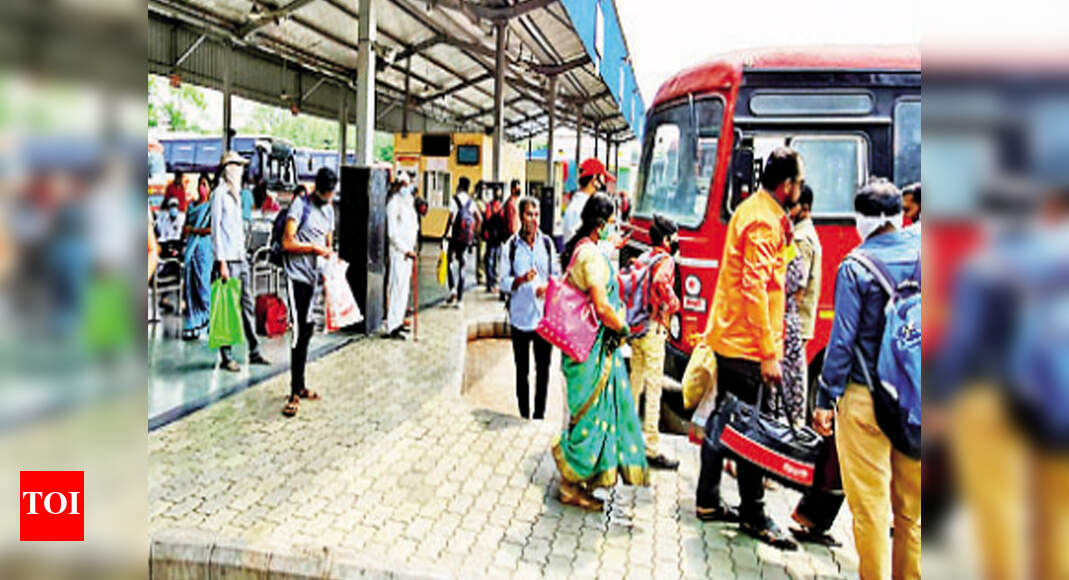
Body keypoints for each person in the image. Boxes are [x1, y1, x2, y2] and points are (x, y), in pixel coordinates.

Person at [695, 147, 804, 550]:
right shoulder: (762, 220)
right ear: (787, 184)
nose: (799, 189)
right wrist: (768, 352)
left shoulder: (755, 210)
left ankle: (707, 500)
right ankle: (754, 514)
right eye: (798, 182)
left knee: (725, 422)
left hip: (734, 338)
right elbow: (755, 288)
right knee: (750, 433)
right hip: (746, 345)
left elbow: (767, 274)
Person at [812, 178, 920, 579]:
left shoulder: (856, 265)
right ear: (898, 216)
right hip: (917, 397)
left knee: (871, 508)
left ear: (862, 220)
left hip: (865, 400)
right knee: (913, 513)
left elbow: (841, 342)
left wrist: (825, 398)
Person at [552, 193, 649, 510]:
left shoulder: (586, 248)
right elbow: (601, 304)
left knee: (589, 416)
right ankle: (569, 483)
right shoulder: (590, 256)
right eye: (610, 222)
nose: (614, 227)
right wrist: (623, 327)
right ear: (599, 224)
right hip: (589, 352)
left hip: (588, 349)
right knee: (588, 417)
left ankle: (578, 481)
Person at [280, 167, 337, 417]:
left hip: (315, 280)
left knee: (308, 331)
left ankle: (301, 385)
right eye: (325, 193)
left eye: (331, 194)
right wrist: (313, 249)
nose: (328, 198)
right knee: (298, 333)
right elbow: (287, 241)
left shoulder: (329, 210)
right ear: (317, 189)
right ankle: (293, 390)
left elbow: (328, 243)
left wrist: (329, 263)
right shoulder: (299, 206)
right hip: (297, 278)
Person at [628, 214, 682, 470]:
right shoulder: (666, 260)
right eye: (675, 237)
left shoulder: (644, 257)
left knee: (634, 384)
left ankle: (624, 439)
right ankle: (651, 447)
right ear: (666, 239)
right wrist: (673, 304)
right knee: (653, 389)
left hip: (636, 329)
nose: (677, 241)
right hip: (654, 329)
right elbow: (661, 282)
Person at [211, 151, 270, 372]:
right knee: (226, 307)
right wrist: (221, 262)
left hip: (241, 257)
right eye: (237, 166)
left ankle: (254, 351)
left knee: (247, 305)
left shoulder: (237, 195)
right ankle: (226, 356)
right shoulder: (219, 194)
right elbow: (216, 230)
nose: (241, 170)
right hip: (227, 259)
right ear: (229, 168)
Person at [500, 196, 557, 420]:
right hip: (520, 319)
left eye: (536, 215)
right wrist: (519, 280)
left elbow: (557, 278)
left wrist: (548, 288)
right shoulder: (511, 246)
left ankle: (539, 416)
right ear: (520, 216)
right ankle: (523, 415)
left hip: (543, 319)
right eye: (528, 214)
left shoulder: (548, 245)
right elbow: (502, 281)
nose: (532, 219)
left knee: (543, 371)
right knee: (521, 371)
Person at [385, 172, 419, 340]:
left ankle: (398, 322)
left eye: (408, 184)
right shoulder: (393, 204)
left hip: (409, 254)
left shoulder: (409, 203)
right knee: (396, 287)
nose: (407, 188)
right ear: (398, 185)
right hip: (399, 253)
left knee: (404, 290)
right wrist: (405, 250)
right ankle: (391, 326)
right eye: (404, 184)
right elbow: (392, 233)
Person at [182, 174, 214, 340]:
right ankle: (193, 324)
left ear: (209, 188)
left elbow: (211, 229)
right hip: (190, 249)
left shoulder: (210, 208)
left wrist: (193, 230)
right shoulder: (192, 206)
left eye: (205, 184)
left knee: (202, 283)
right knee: (190, 287)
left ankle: (207, 318)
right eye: (200, 184)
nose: (202, 188)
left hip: (203, 248)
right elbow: (185, 226)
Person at [445, 177, 480, 307]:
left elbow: (450, 219)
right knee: (462, 266)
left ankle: (452, 289)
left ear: (459, 185)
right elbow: (479, 219)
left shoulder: (454, 200)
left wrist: (445, 234)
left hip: (454, 237)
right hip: (466, 239)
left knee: (449, 261)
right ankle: (460, 299)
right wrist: (474, 234)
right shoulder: (471, 202)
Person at [562, 159, 614, 241]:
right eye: (603, 179)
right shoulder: (584, 206)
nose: (604, 184)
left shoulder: (577, 204)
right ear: (594, 179)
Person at [483, 186, 506, 294]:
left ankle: (491, 283)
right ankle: (492, 282)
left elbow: (487, 220)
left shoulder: (490, 206)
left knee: (491, 260)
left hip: (493, 237)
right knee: (494, 260)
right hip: (496, 237)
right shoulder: (500, 206)